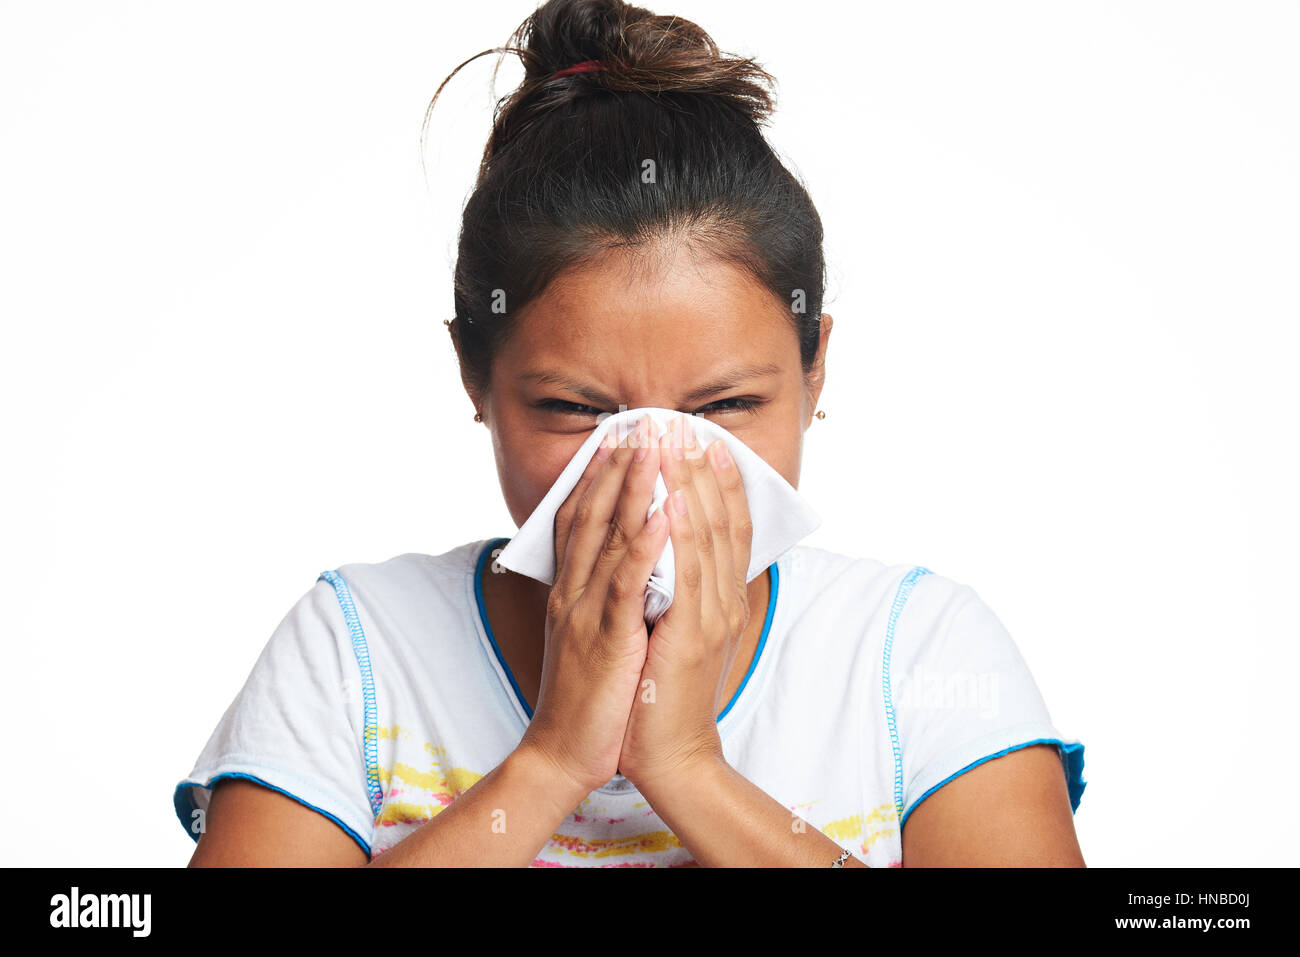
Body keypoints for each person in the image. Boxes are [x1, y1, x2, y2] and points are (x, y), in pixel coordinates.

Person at [174, 0, 1086, 867]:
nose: (653, 471)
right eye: (579, 410)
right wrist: (555, 757)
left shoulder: (915, 653)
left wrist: (690, 767)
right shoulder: (357, 648)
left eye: (724, 408)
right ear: (475, 377)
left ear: (813, 373)